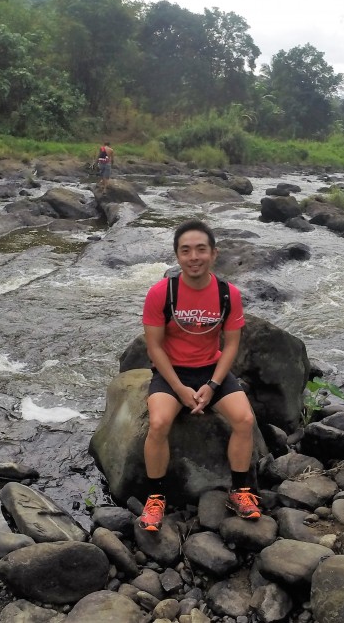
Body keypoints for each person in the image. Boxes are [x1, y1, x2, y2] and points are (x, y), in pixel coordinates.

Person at [138, 219, 261, 532]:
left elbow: (231, 345)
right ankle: (155, 498)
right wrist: (179, 389)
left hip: (211, 369)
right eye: (186, 250)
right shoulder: (162, 293)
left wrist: (214, 384)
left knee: (245, 420)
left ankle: (239, 491)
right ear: (178, 257)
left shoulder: (226, 294)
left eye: (201, 250)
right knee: (159, 422)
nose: (194, 256)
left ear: (214, 254)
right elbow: (154, 346)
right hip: (172, 372)